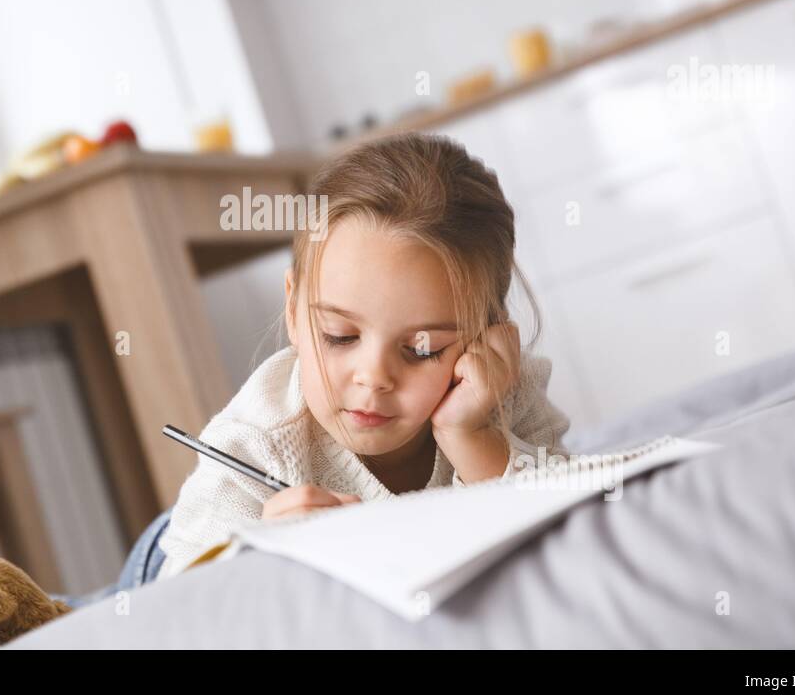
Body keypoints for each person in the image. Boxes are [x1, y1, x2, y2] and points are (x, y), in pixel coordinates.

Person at [156, 132, 573, 581]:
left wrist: (470, 437)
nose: (373, 378)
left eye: (422, 349)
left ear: (484, 342)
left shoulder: (500, 390)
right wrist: (263, 564)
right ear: (293, 310)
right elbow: (180, 603)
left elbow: (563, 529)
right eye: (338, 336)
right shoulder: (255, 443)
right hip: (175, 548)